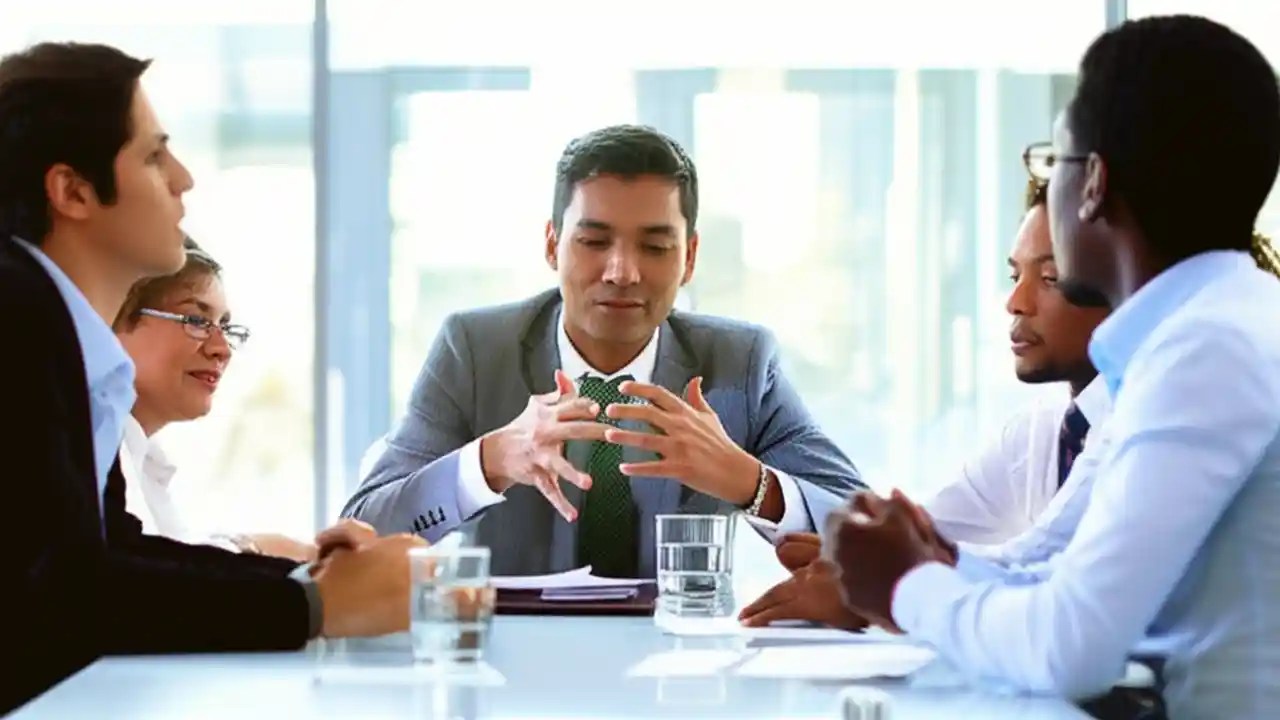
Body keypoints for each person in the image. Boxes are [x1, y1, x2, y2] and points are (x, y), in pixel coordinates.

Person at [824, 16, 1280, 717]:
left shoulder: (1209, 348)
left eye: (1054, 163)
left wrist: (906, 587)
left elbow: (1070, 646)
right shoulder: (1191, 334)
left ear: (1093, 183)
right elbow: (1055, 562)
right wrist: (937, 558)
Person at [3, 42, 420, 712]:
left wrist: (305, 577)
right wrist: (315, 603)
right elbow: (64, 593)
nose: (185, 178)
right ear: (73, 191)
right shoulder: (17, 318)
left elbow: (113, 550)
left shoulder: (48, 322)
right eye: (153, 155)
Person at [343, 124, 864, 577]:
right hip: (513, 666)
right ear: (552, 245)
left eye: (656, 247)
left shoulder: (740, 363)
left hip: (682, 668)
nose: (622, 272)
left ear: (690, 258)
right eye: (594, 242)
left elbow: (871, 532)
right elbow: (360, 532)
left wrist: (746, 480)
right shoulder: (475, 351)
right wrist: (491, 460)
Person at [740, 180, 1113, 629]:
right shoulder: (1041, 431)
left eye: (1049, 278)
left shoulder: (1143, 424)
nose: (1016, 302)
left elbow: (1062, 589)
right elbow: (933, 537)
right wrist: (864, 568)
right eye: (1015, 277)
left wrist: (894, 586)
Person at [113, 236, 315, 562]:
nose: (221, 349)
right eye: (196, 320)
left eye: (225, 326)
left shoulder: (142, 458)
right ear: (113, 316)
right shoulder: (91, 448)